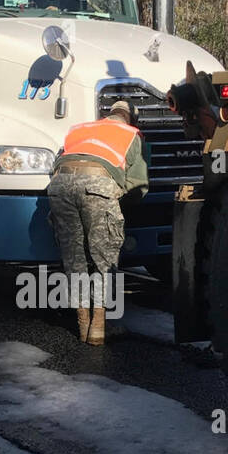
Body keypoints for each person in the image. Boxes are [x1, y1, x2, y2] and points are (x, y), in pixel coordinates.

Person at [47, 100, 149, 344]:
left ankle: (82, 325)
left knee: (74, 258)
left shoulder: (79, 129)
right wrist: (121, 204)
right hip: (98, 187)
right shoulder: (132, 134)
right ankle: (98, 328)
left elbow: (58, 163)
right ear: (131, 119)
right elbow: (138, 185)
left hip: (60, 187)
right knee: (104, 258)